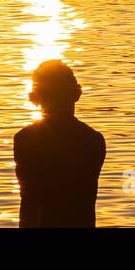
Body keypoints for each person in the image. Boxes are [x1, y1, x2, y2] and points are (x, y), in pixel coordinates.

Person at [13, 60, 106, 227]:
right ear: (76, 94)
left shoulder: (24, 139)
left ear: (35, 98)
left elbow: (31, 201)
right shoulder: (94, 140)